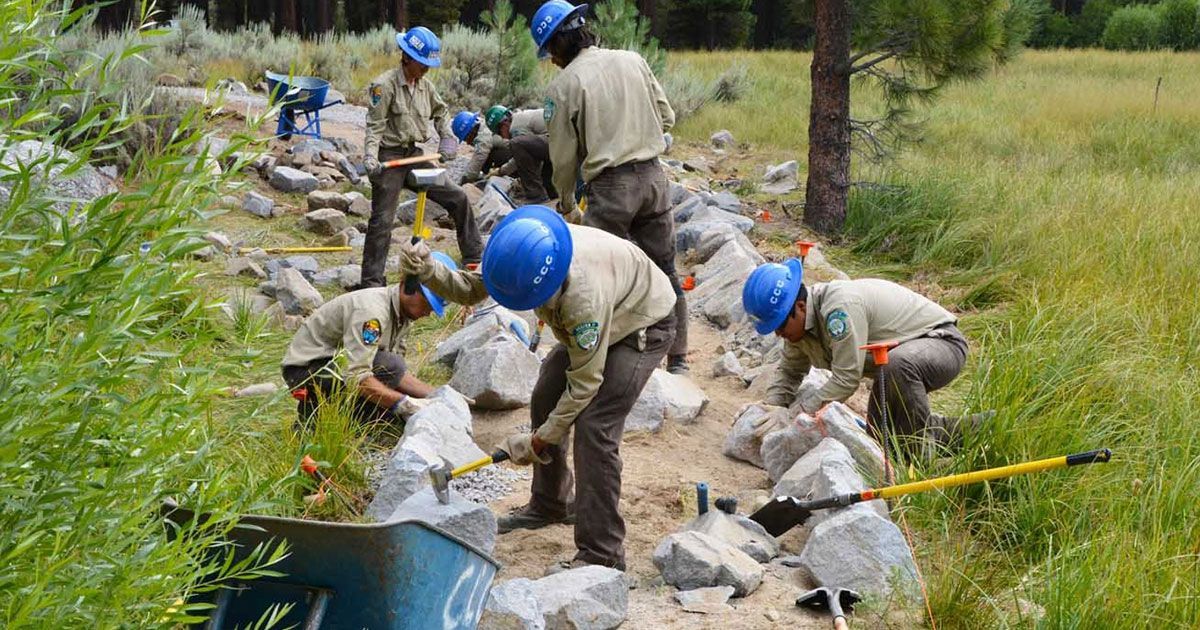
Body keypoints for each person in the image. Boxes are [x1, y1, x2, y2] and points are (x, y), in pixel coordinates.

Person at [399, 205, 677, 571]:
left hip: (643, 321)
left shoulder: (582, 299)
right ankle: (551, 503)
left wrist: (539, 441)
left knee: (595, 428)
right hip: (611, 300)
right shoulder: (516, 253)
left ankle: (603, 552)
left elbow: (585, 384)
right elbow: (470, 289)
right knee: (546, 392)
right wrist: (428, 269)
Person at [531, 0, 690, 375]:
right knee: (664, 268)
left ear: (558, 44)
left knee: (595, 278)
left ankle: (596, 360)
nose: (551, 60)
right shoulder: (632, 60)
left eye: (550, 51)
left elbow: (564, 159)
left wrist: (568, 204)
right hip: (654, 179)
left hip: (611, 188)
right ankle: (678, 358)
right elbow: (666, 116)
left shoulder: (564, 86)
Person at [742, 259, 975, 453]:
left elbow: (846, 380)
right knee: (880, 440)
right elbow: (789, 371)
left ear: (800, 307)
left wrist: (793, 414)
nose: (779, 333)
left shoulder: (838, 309)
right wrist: (770, 408)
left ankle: (921, 465)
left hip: (941, 342)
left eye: (781, 326)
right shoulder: (799, 330)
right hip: (894, 366)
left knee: (897, 367)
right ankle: (982, 428)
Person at [359, 26, 483, 288]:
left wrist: (447, 137)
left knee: (458, 198)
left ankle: (474, 258)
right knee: (382, 221)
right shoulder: (384, 86)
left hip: (414, 156)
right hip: (389, 158)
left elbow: (442, 111)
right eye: (423, 62)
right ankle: (371, 283)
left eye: (430, 63)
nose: (427, 68)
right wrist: (370, 157)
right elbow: (374, 127)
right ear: (407, 56)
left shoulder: (426, 86)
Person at [281, 253, 458, 425]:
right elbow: (358, 374)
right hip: (307, 371)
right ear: (409, 286)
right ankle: (314, 418)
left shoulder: (402, 315)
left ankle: (345, 416)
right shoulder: (371, 312)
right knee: (390, 368)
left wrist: (437, 395)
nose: (429, 312)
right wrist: (404, 403)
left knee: (390, 420)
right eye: (428, 303)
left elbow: (397, 375)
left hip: (338, 364)